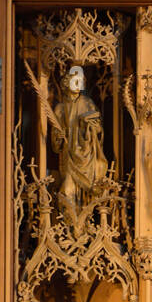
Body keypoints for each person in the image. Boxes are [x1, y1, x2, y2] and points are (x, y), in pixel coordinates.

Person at [51, 65, 108, 231]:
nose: (78, 84)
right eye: (75, 80)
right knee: (67, 191)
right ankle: (69, 228)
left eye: (80, 81)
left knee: (87, 195)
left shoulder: (87, 103)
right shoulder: (60, 108)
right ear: (67, 82)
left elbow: (98, 130)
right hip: (68, 157)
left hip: (85, 157)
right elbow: (56, 142)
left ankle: (84, 228)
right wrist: (59, 138)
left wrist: (90, 127)